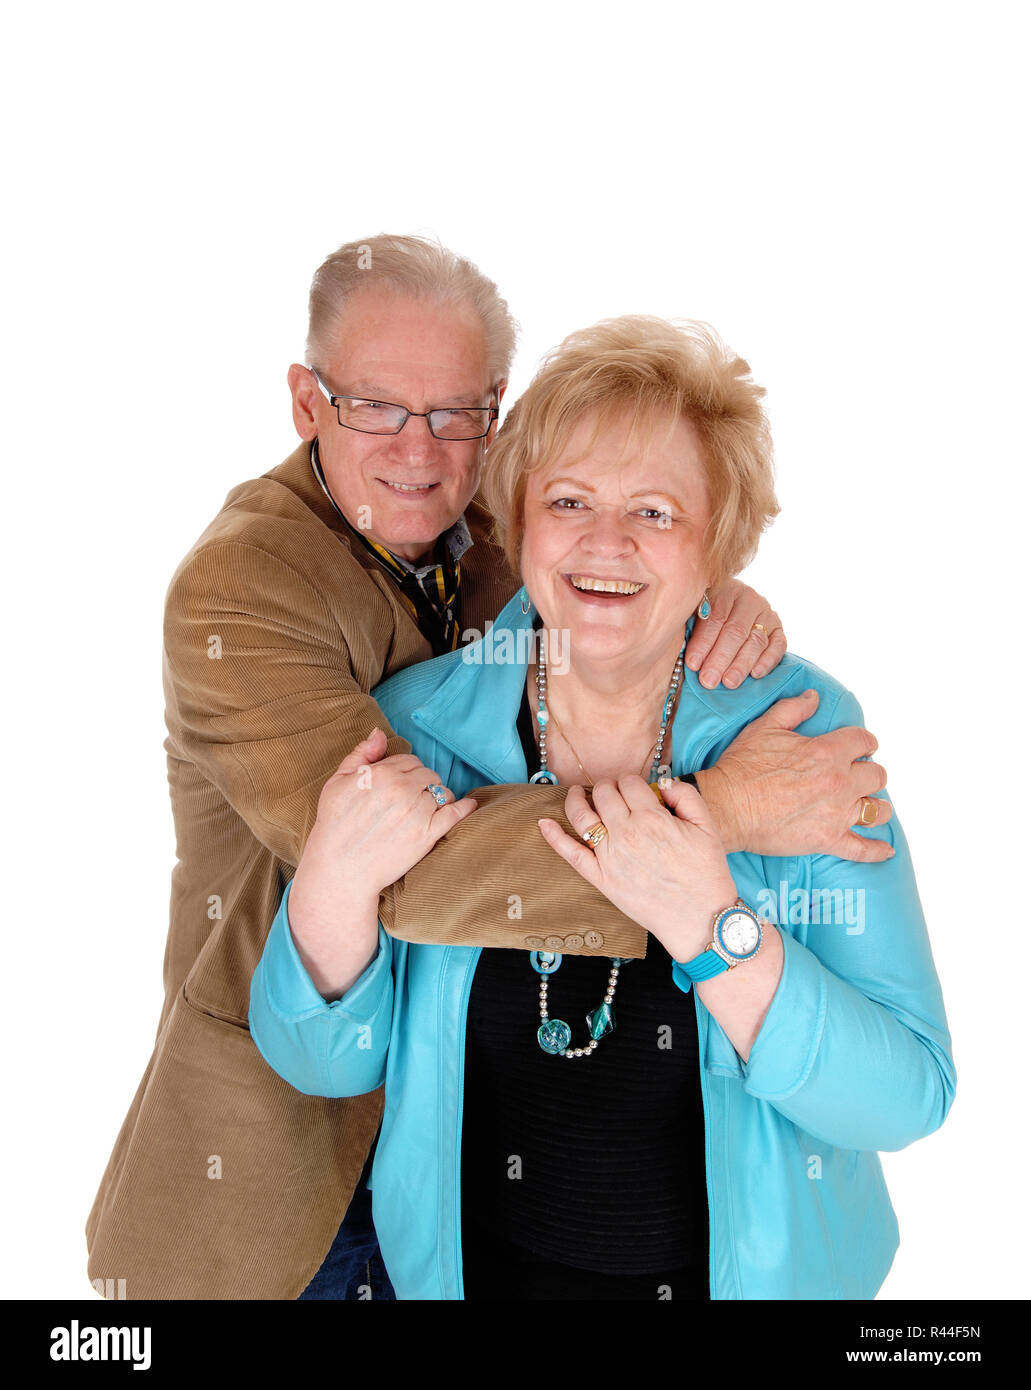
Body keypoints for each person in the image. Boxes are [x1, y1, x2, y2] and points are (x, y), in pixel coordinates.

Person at [85, 235, 895, 1301]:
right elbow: (405, 870)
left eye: (456, 412)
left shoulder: (494, 529)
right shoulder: (239, 590)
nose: (417, 449)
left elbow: (620, 562)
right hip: (290, 1167)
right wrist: (719, 815)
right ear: (304, 401)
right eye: (375, 405)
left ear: (496, 416)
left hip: (465, 1166)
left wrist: (716, 598)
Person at [250, 314, 954, 1300]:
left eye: (657, 513)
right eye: (569, 500)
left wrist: (713, 930)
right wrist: (329, 878)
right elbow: (323, 1061)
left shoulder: (799, 726)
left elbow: (907, 1096)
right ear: (520, 519)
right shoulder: (423, 724)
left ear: (720, 544)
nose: (606, 543)